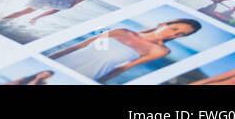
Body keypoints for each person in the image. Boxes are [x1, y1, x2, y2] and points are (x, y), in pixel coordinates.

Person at [49, 18, 200, 83]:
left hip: (88, 75)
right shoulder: (121, 31)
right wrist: (50, 58)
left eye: (181, 34)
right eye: (174, 28)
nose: (174, 34)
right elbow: (79, 45)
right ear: (164, 24)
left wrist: (98, 82)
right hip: (63, 62)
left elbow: (124, 68)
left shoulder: (160, 50)